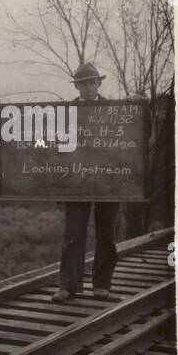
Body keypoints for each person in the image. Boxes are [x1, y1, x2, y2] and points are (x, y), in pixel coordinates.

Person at [52, 61, 117, 302]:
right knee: (73, 234)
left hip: (108, 183)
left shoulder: (116, 110)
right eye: (83, 84)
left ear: (99, 83)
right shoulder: (67, 112)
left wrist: (143, 106)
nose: (88, 87)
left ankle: (102, 284)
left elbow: (136, 138)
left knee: (106, 234)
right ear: (77, 87)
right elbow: (57, 150)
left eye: (92, 82)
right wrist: (59, 186)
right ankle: (68, 286)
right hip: (76, 182)